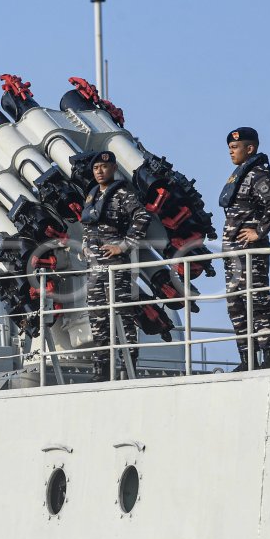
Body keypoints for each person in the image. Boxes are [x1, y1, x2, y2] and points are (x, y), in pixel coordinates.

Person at [80, 151, 151, 382]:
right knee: (98, 319)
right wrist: (84, 245)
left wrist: (124, 246)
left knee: (122, 317)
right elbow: (88, 225)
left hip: (115, 268)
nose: (99, 171)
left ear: (112, 168)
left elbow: (142, 216)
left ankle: (128, 368)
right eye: (96, 168)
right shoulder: (92, 195)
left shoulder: (122, 194)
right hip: (94, 269)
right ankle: (102, 370)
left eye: (104, 167)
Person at [219, 127, 270, 371]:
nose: (231, 152)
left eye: (235, 148)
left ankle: (269, 356)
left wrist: (259, 231)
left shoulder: (258, 175)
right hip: (234, 255)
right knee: (236, 304)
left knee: (257, 301)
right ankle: (247, 359)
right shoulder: (239, 176)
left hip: (250, 253)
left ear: (250, 148)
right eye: (229, 149)